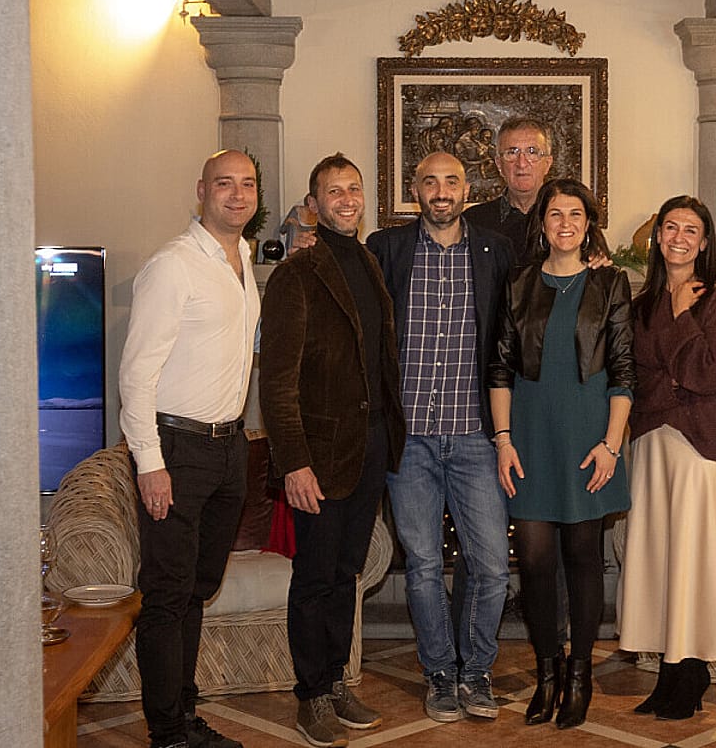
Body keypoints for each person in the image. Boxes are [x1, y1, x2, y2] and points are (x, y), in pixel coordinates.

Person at [259, 153, 406, 747]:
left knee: (347, 573)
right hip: (316, 456)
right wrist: (293, 460)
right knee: (315, 577)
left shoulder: (368, 261)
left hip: (370, 447)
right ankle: (311, 695)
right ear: (313, 205)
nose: (347, 199)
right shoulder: (298, 274)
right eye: (333, 192)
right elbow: (277, 380)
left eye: (355, 189)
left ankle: (339, 680)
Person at [365, 152, 514, 724]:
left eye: (451, 180)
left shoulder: (495, 250)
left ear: (467, 188)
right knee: (424, 564)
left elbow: (515, 325)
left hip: (477, 434)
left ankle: (477, 671)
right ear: (415, 190)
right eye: (429, 181)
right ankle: (440, 675)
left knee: (491, 565)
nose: (441, 190)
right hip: (411, 440)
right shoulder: (389, 248)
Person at [118, 149, 260, 748]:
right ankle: (168, 733)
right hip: (175, 449)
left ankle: (183, 713)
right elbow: (135, 375)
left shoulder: (244, 258)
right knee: (169, 595)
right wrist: (150, 465)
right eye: (224, 184)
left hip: (228, 449)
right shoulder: (173, 265)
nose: (236, 194)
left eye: (247, 184)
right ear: (200, 190)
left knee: (198, 590)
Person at [487, 178, 635, 729]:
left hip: (588, 440)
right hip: (528, 439)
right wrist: (503, 442)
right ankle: (546, 673)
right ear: (542, 223)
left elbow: (624, 370)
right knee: (535, 561)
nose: (565, 223)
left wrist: (610, 446)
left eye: (576, 214)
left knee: (583, 560)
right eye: (555, 214)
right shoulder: (518, 283)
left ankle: (580, 675)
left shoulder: (610, 283)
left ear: (589, 223)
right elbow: (498, 368)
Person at [617, 196, 716, 719]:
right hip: (649, 440)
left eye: (691, 229)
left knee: (692, 560)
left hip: (699, 443)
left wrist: (687, 317)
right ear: (657, 237)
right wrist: (674, 372)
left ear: (705, 241)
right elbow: (635, 374)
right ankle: (668, 672)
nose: (679, 237)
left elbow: (713, 373)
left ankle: (691, 673)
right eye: (671, 227)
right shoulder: (639, 304)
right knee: (657, 560)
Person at [466, 116, 554, 263]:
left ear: (547, 163)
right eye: (512, 152)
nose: (522, 163)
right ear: (499, 165)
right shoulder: (472, 222)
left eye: (532, 152)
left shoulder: (567, 222)